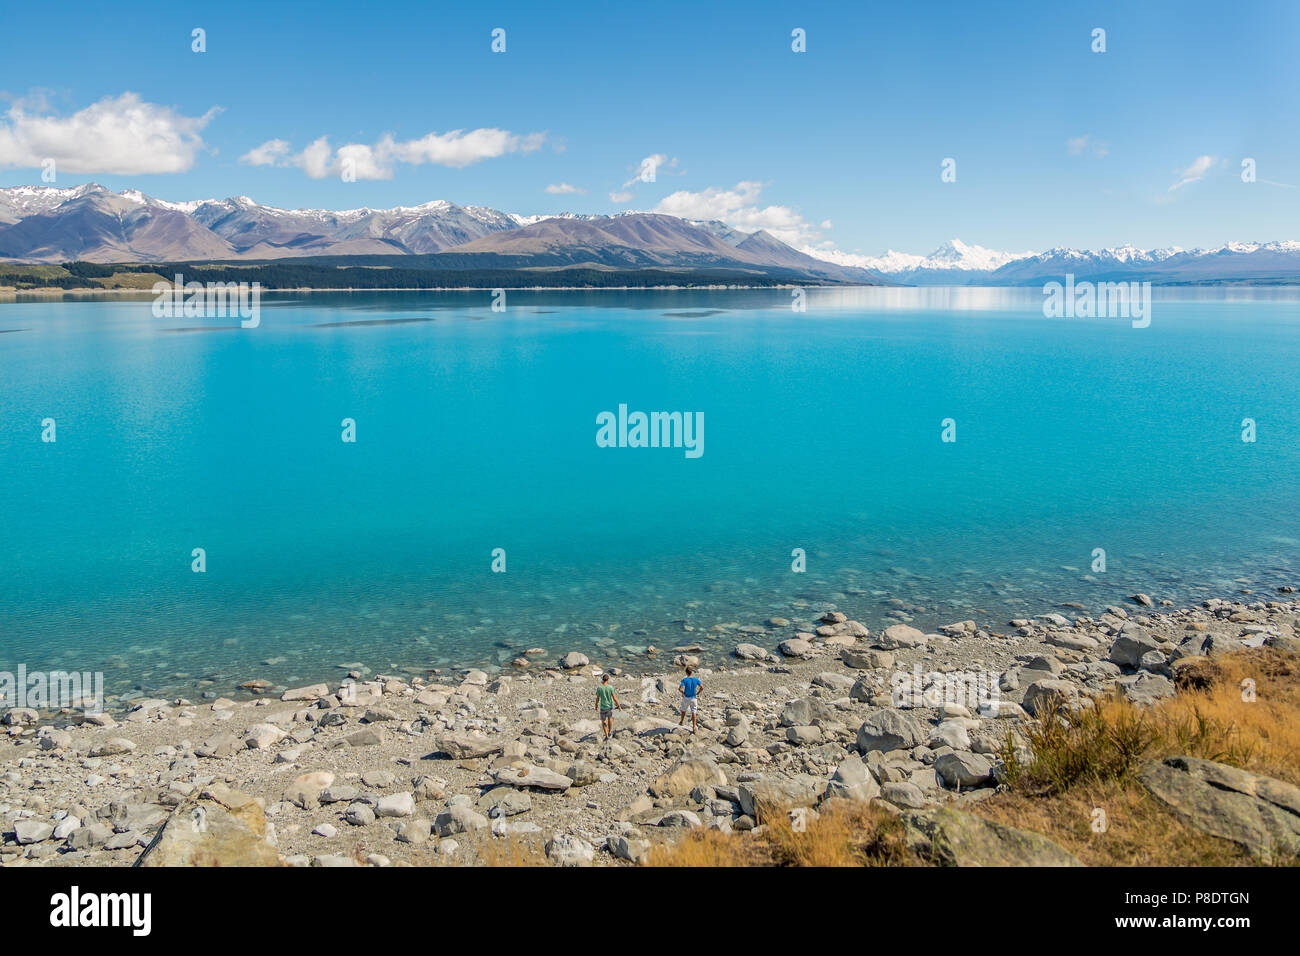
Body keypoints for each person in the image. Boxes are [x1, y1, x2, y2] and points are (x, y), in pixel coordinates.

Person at [596, 673, 621, 740]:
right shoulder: (610, 687)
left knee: (603, 721)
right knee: (610, 718)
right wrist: (619, 706)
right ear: (608, 680)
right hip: (609, 707)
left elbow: (597, 698)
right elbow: (614, 698)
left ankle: (606, 735)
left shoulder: (599, 688)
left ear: (602, 680)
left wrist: (596, 705)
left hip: (602, 707)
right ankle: (610, 731)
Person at [677, 666, 702, 733]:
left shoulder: (685, 680)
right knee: (694, 712)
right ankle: (694, 727)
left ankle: (681, 722)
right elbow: (702, 687)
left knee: (683, 710)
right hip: (693, 698)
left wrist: (683, 693)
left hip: (686, 697)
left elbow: (680, 689)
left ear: (686, 672)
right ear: (692, 672)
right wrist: (698, 693)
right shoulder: (696, 679)